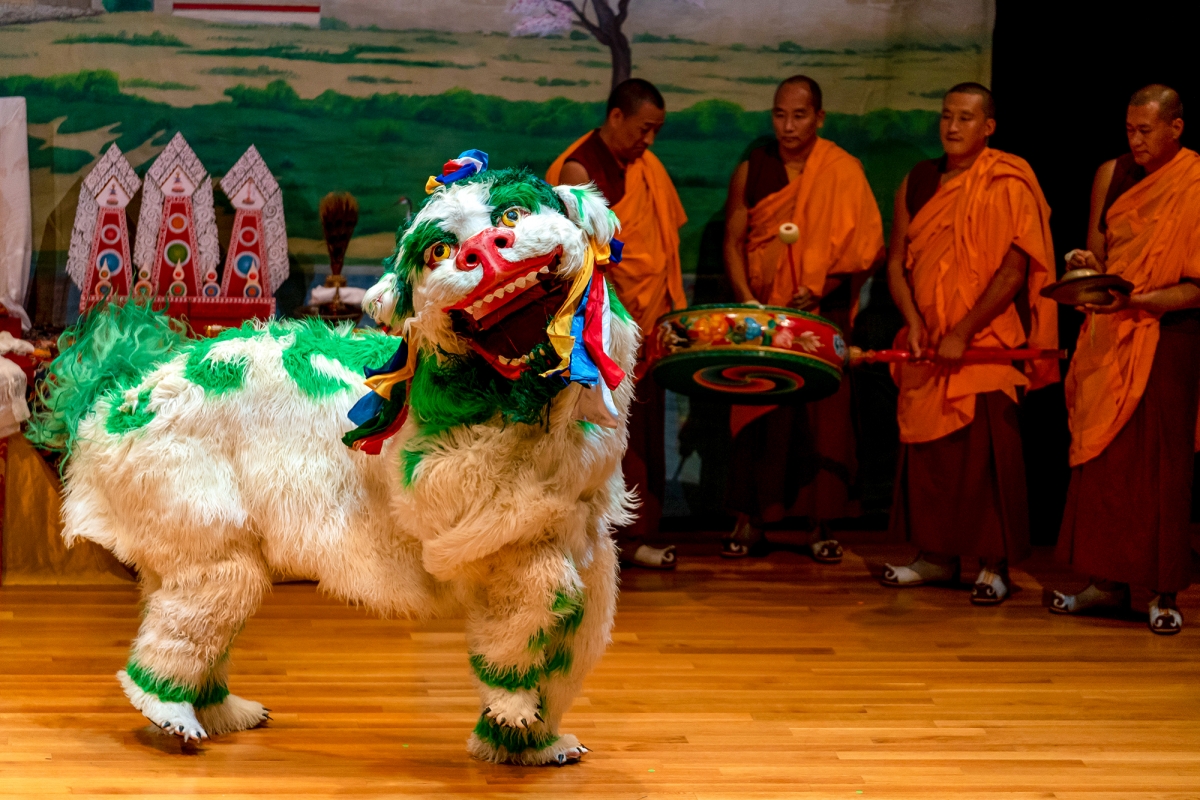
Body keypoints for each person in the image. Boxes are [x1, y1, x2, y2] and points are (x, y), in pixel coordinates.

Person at [882, 82, 1059, 604]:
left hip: (986, 342)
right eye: (946, 116)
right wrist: (914, 320)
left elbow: (1014, 266)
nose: (952, 127)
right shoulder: (919, 180)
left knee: (984, 461)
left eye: (965, 118)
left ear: (989, 128)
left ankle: (993, 565)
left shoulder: (1007, 179)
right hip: (928, 343)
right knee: (933, 459)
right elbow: (896, 260)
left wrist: (963, 332)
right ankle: (935, 557)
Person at [1051, 84, 1200, 635]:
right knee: (1102, 461)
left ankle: (1162, 592)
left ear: (1176, 127)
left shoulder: (1195, 182)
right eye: (1129, 129)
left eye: (1146, 130)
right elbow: (1100, 250)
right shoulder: (1110, 174)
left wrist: (1137, 299)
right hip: (1109, 331)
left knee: (1160, 468)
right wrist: (1086, 265)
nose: (1134, 140)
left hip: (1167, 338)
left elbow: (1195, 286)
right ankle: (1103, 584)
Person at [720, 75, 884, 560]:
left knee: (824, 418)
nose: (788, 126)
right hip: (763, 315)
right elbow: (735, 239)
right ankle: (749, 520)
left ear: (819, 118)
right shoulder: (754, 167)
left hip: (822, 311)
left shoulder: (842, 169)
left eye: (799, 115)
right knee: (757, 410)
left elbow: (867, 248)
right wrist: (749, 299)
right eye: (779, 114)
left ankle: (821, 525)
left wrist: (826, 286)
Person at [547, 79, 687, 570]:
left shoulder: (646, 169)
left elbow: (661, 249)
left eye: (657, 132)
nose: (649, 141)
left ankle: (641, 533)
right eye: (644, 129)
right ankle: (591, 537)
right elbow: (581, 256)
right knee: (597, 429)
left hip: (646, 317)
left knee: (642, 428)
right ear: (615, 117)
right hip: (598, 325)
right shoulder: (579, 168)